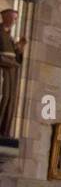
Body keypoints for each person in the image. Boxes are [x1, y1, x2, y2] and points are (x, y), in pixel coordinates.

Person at [0, 8, 26, 137]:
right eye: (14, 18)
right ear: (6, 17)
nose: (15, 21)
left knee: (11, 100)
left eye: (16, 19)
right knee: (3, 98)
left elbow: (18, 58)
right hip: (4, 69)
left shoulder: (10, 37)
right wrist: (11, 62)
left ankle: (5, 131)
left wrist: (19, 48)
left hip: (12, 70)